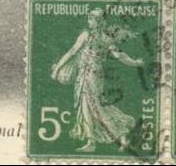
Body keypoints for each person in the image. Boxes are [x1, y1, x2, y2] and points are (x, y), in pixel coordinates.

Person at [51, 9, 145, 152]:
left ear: (98, 21)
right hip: (91, 75)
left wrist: (57, 69)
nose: (89, 22)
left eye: (91, 19)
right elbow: (120, 56)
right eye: (89, 19)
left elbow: (72, 52)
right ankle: (96, 141)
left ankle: (117, 137)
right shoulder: (107, 38)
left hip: (89, 75)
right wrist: (135, 63)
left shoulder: (86, 35)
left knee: (94, 107)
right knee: (89, 107)